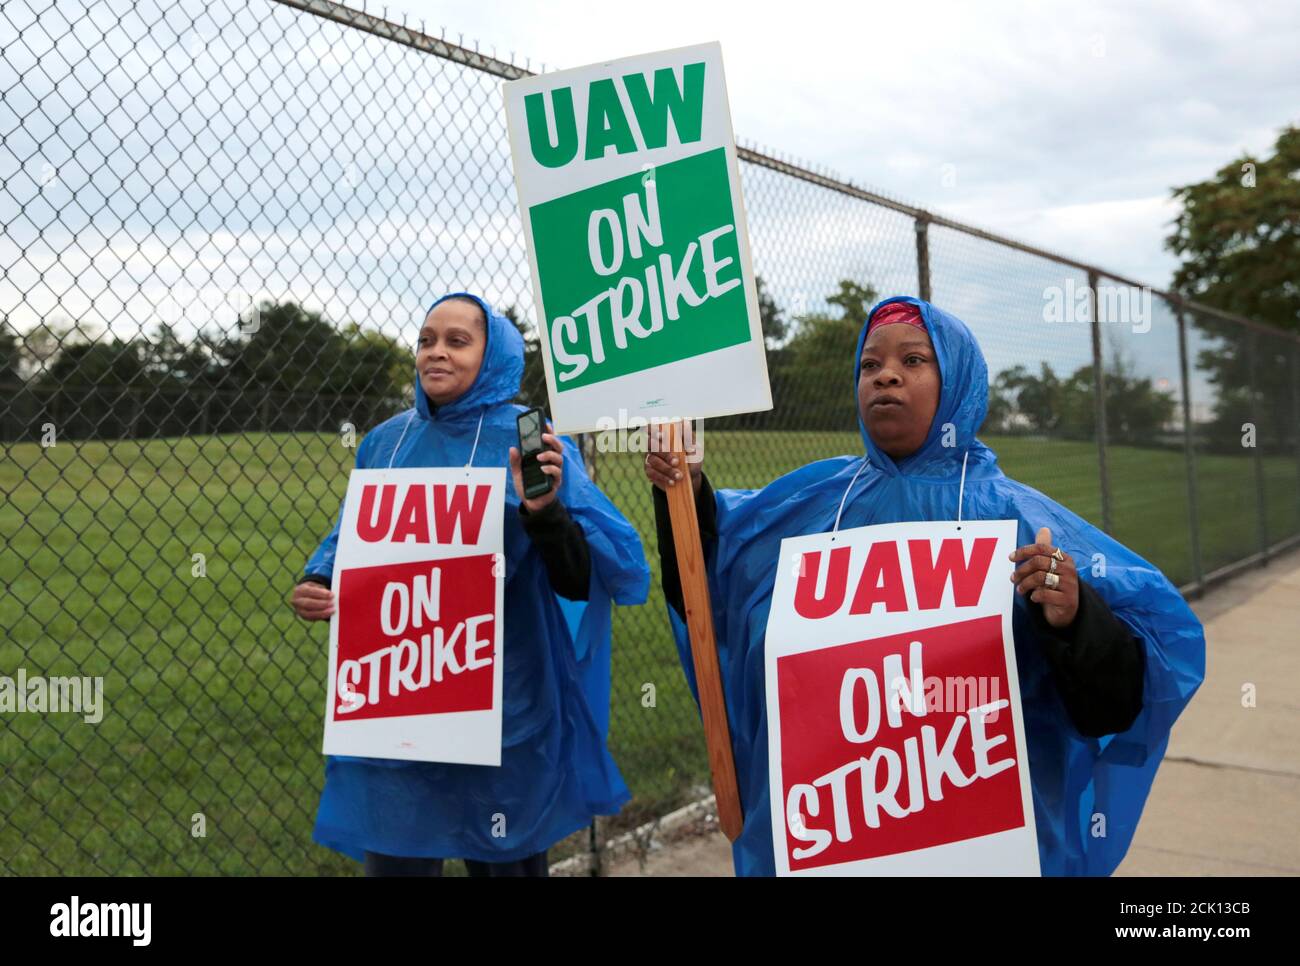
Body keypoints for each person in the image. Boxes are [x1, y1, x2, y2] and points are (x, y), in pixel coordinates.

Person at [645, 295, 1205, 876]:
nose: (886, 374)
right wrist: (684, 492)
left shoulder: (1016, 517)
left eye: (913, 360)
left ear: (956, 381)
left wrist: (1073, 615)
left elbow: (1115, 700)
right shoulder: (814, 503)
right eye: (870, 364)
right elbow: (714, 577)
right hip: (829, 837)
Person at [292, 292, 649, 876]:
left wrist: (547, 512)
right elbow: (349, 538)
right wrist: (319, 579)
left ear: (494, 355)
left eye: (457, 341)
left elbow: (579, 577)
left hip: (503, 706)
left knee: (506, 861)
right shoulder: (386, 441)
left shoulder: (530, 435)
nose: (436, 352)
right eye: (427, 339)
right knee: (397, 857)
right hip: (400, 699)